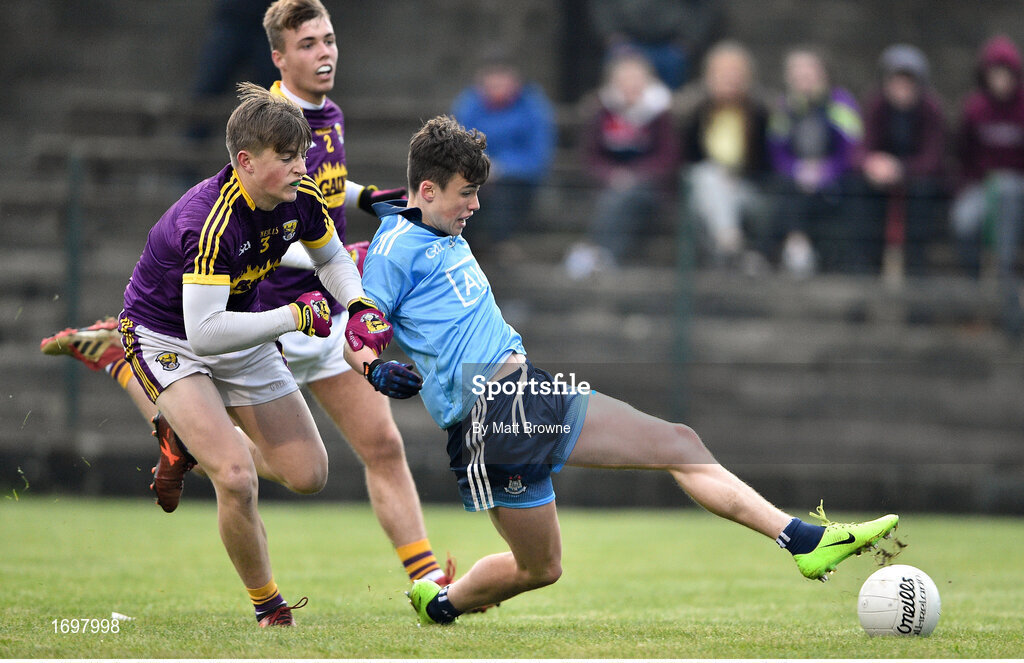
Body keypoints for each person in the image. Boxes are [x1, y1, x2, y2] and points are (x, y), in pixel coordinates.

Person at [357, 115, 900, 624]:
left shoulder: (431, 226)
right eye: (465, 194)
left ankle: (803, 540)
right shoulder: (393, 251)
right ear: (429, 191)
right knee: (540, 568)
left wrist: (389, 206)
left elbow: (408, 217)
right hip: (489, 422)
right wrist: (376, 371)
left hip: (530, 390)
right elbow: (358, 332)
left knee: (679, 442)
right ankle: (442, 603)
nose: (474, 205)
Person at [40, 0, 457, 593]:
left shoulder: (328, 115)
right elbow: (252, 232)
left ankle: (426, 583)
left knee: (375, 446)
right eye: (309, 43)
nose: (326, 52)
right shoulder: (271, 125)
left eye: (330, 39)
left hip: (322, 312)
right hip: (266, 318)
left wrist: (365, 201)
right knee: (240, 469)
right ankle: (143, 382)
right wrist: (334, 267)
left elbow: (325, 193)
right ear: (278, 57)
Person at [118, 83, 420, 626]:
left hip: (237, 324)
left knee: (308, 474)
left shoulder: (297, 197)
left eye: (302, 154)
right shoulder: (207, 221)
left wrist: (356, 303)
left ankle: (187, 438)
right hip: (169, 336)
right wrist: (292, 317)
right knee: (235, 476)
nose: (301, 168)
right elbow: (204, 333)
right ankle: (269, 606)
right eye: (286, 158)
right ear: (245, 163)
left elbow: (331, 259)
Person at [564, 50, 679, 279]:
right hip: (608, 185)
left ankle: (595, 250)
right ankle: (605, 256)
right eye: (624, 80)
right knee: (617, 197)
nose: (630, 86)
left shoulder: (659, 114)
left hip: (650, 189)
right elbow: (590, 156)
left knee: (622, 196)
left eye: (636, 80)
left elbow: (667, 157)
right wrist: (612, 175)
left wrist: (634, 176)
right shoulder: (602, 112)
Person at [848, 44, 947, 279]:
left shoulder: (932, 109)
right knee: (860, 194)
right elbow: (859, 150)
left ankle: (917, 296)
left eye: (908, 81)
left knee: (923, 196)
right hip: (878, 184)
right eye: (896, 80)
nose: (902, 88)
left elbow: (933, 158)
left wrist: (900, 168)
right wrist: (872, 164)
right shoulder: (875, 104)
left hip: (917, 186)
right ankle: (863, 285)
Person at [765, 47, 863, 276]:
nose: (804, 80)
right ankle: (797, 248)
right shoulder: (784, 107)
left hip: (835, 182)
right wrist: (797, 169)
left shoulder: (841, 103)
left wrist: (824, 171)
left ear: (824, 74)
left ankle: (787, 250)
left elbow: (851, 150)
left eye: (809, 73)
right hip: (796, 182)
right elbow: (777, 152)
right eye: (797, 75)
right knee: (788, 191)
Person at [451, 48, 556, 261]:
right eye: (491, 78)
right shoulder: (469, 104)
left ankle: (500, 246)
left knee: (504, 192)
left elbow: (538, 157)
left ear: (515, 80)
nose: (496, 84)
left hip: (518, 182)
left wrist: (502, 168)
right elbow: (457, 146)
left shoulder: (533, 106)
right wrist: (482, 169)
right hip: (475, 176)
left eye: (502, 77)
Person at [950, 35, 1024, 337]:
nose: (1000, 81)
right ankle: (974, 288)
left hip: (1018, 189)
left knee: (1007, 190)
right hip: (981, 187)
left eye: (1005, 74)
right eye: (994, 74)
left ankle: (1007, 289)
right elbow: (961, 154)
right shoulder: (974, 108)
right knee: (963, 221)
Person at [677, 40, 771, 269]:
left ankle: (728, 248)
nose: (729, 78)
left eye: (735, 72)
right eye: (721, 72)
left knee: (716, 188)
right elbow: (684, 159)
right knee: (708, 178)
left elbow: (769, 162)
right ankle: (730, 243)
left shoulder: (761, 112)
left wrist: (735, 179)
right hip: (701, 188)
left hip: (748, 188)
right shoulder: (693, 111)